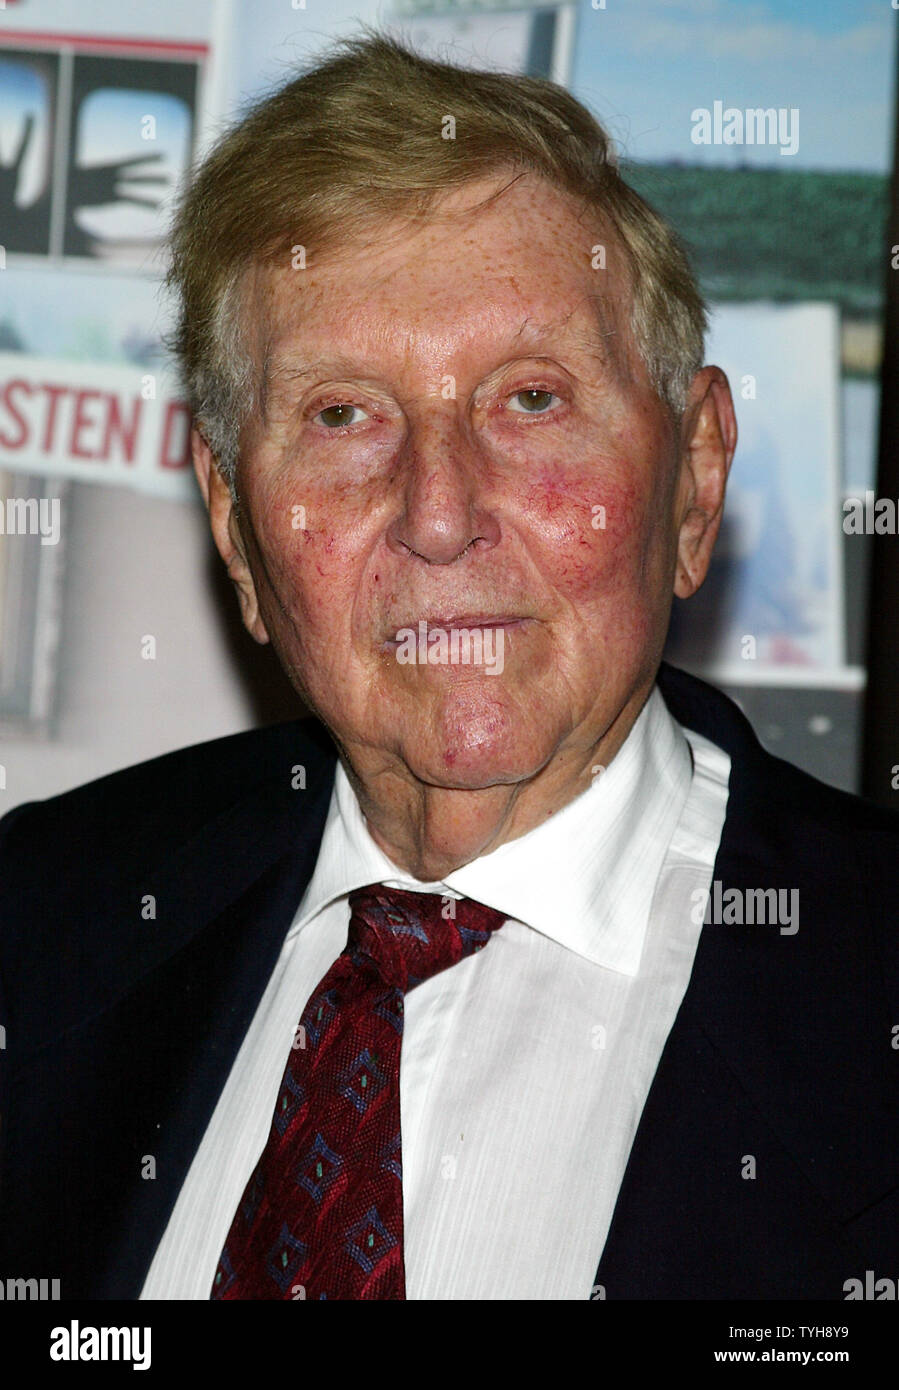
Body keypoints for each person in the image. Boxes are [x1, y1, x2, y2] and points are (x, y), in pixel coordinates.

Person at [1, 31, 896, 1302]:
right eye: (341, 414)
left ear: (694, 481)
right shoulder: (40, 923)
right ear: (234, 526)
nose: (435, 513)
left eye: (529, 399)